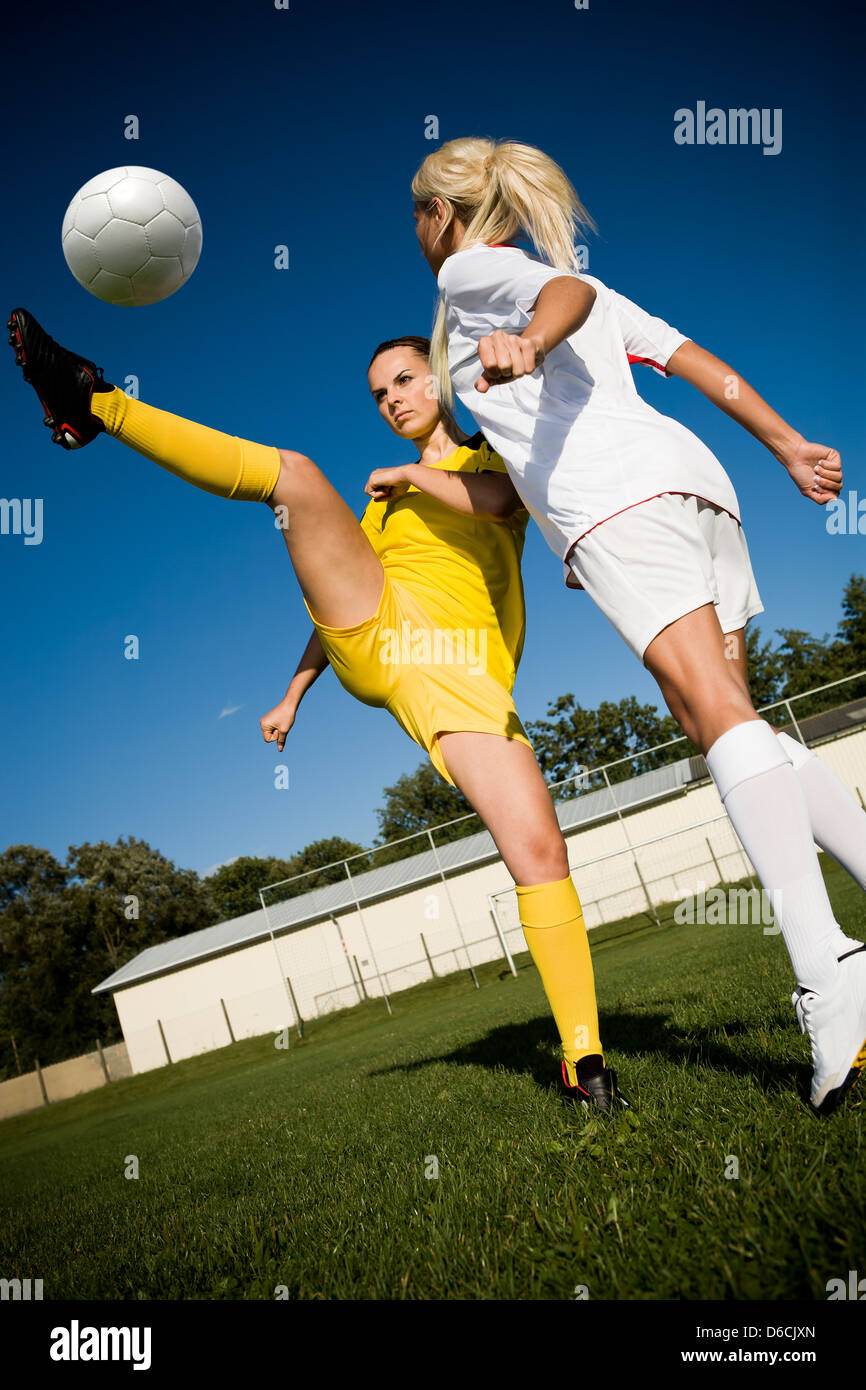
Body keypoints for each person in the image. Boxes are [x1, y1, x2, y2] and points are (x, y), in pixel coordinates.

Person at [7, 308, 628, 1112]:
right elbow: (341, 600)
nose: (392, 400)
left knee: (539, 854)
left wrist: (414, 477)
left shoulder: (490, 453)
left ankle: (587, 1065)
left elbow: (505, 503)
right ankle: (95, 402)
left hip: (456, 670)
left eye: (405, 380)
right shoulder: (378, 508)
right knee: (296, 476)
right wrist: (293, 693)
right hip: (380, 637)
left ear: (441, 376)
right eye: (377, 394)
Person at [409, 136, 866, 1116]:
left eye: (416, 215)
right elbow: (696, 362)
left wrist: (528, 334)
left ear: (443, 216)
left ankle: (828, 970)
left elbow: (553, 296)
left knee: (715, 717)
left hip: (617, 505)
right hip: (697, 483)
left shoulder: (475, 274)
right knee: (728, 721)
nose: (415, 235)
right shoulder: (569, 290)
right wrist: (787, 443)